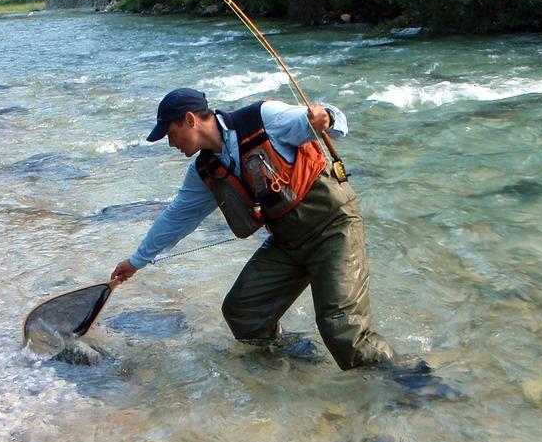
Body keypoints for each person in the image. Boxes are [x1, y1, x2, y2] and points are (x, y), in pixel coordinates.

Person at [110, 87, 406, 372]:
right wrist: (136, 261)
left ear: (190, 120)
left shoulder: (264, 117)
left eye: (170, 134)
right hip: (287, 242)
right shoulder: (204, 171)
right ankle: (295, 361)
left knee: (341, 328)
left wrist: (325, 117)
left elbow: (331, 122)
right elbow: (176, 218)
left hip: (333, 227)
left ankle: (410, 382)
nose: (170, 143)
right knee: (243, 312)